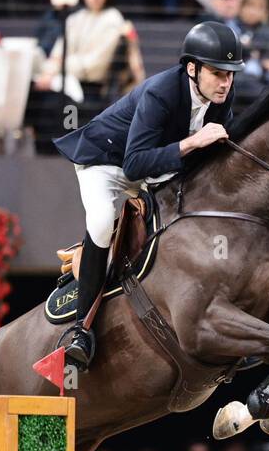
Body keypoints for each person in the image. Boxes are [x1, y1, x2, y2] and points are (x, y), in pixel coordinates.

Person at [51, 21, 240, 371]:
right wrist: (192, 143)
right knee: (103, 222)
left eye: (230, 73)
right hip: (106, 165)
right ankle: (81, 332)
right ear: (192, 68)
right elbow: (134, 164)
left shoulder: (221, 96)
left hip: (157, 169)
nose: (226, 82)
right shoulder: (161, 92)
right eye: (217, 73)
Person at [30, 0, 126, 152]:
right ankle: (43, 150)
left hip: (89, 85)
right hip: (62, 78)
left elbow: (96, 64)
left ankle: (64, 149)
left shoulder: (113, 19)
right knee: (36, 96)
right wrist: (49, 73)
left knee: (60, 106)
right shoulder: (76, 18)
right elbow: (58, 53)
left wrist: (59, 70)